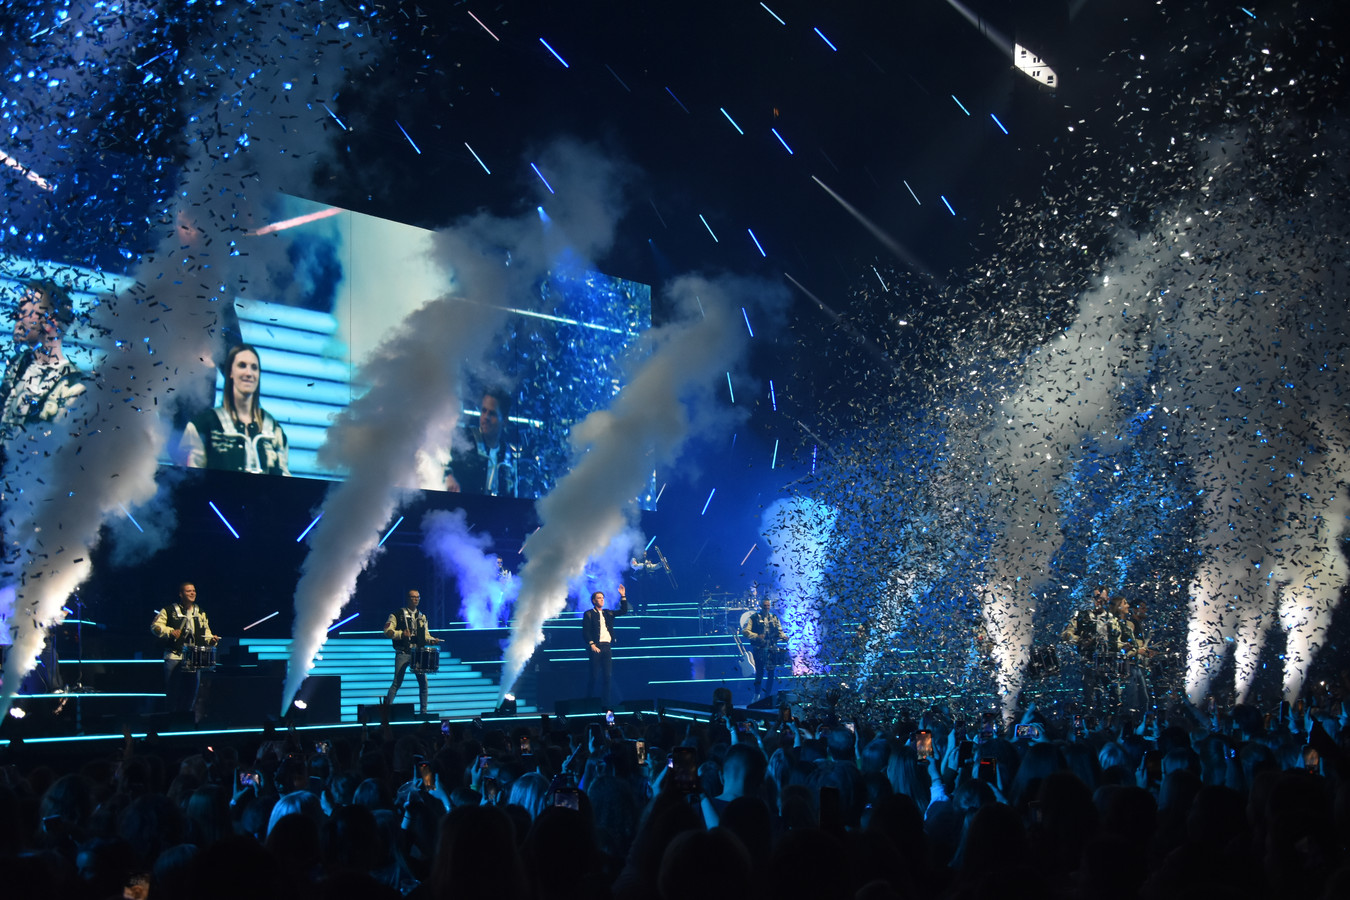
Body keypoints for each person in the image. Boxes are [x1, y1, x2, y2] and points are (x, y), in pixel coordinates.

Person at [178, 343, 290, 475]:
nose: (249, 373)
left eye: (254, 368)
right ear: (230, 372)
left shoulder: (274, 430)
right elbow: (189, 482)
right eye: (242, 365)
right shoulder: (202, 426)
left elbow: (285, 482)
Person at [1, 279, 86, 442]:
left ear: (49, 322)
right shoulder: (17, 365)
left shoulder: (73, 387)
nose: (17, 316)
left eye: (24, 311)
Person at [150, 582, 219, 721]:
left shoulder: (200, 612)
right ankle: (169, 719)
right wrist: (170, 631)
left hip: (194, 657)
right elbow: (155, 627)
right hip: (174, 655)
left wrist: (212, 640)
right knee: (172, 690)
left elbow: (206, 631)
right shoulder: (169, 610)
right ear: (181, 594)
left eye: (194, 590)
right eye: (188, 591)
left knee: (191, 692)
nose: (192, 593)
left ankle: (185, 719)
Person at [445, 388, 519, 496]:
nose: (485, 417)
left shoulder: (508, 456)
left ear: (504, 420)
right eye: (484, 411)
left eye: (492, 414)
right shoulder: (464, 439)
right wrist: (448, 477)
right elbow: (439, 461)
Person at [383, 589, 441, 717]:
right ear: (408, 598)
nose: (415, 599)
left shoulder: (422, 616)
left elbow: (425, 635)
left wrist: (431, 641)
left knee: (423, 683)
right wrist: (400, 634)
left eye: (417, 597)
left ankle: (423, 712)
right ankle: (386, 711)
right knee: (397, 683)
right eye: (413, 597)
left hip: (417, 653)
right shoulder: (396, 614)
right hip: (403, 652)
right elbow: (387, 631)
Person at [582, 583, 630, 708]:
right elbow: (585, 631)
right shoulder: (588, 614)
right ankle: (588, 702)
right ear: (593, 600)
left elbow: (624, 611)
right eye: (599, 598)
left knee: (607, 676)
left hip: (607, 647)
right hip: (596, 647)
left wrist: (623, 596)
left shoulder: (608, 613)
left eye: (603, 598)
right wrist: (591, 644)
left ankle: (605, 704)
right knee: (593, 676)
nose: (602, 600)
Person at [741, 590, 784, 702]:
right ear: (761, 606)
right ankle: (756, 695)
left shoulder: (774, 617)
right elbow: (745, 631)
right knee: (760, 672)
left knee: (771, 673)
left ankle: (767, 696)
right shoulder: (754, 618)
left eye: (768, 606)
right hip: (759, 649)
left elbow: (779, 630)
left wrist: (783, 636)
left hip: (772, 648)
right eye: (765, 606)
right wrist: (756, 636)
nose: (767, 608)